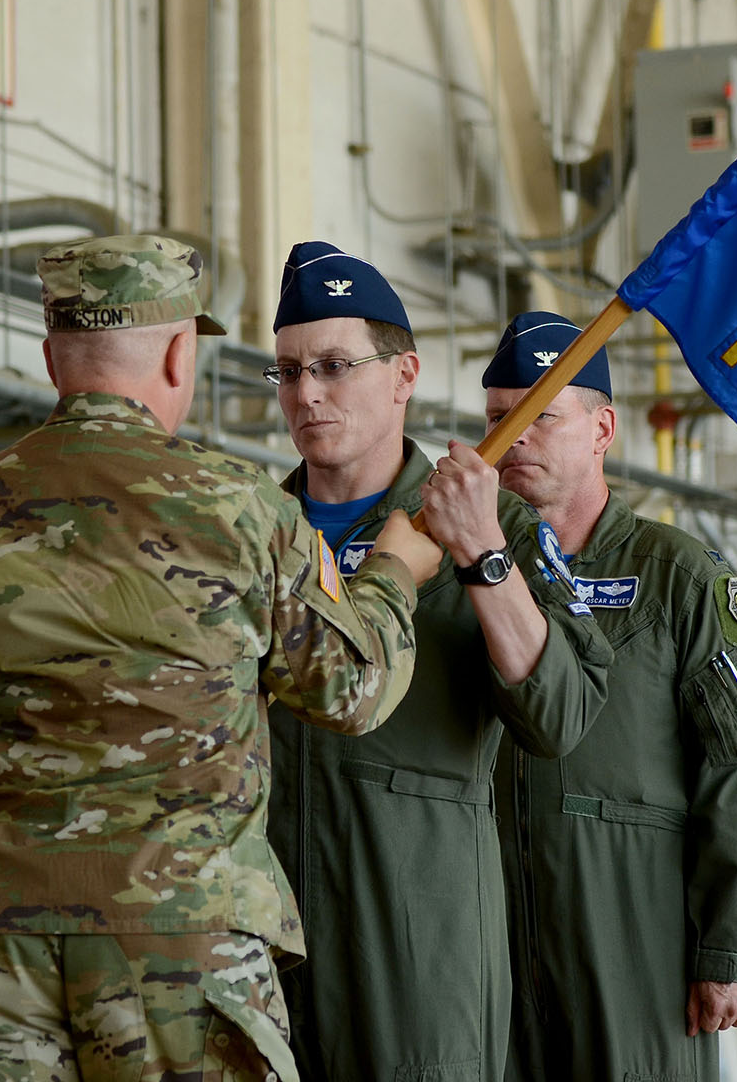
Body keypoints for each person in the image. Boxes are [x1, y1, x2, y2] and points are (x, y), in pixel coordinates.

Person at [0, 234, 444, 1082]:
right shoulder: (239, 510)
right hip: (178, 940)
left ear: (50, 359)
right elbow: (350, 691)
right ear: (181, 354)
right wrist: (397, 570)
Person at [263, 243, 612, 1082]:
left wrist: (481, 554)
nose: (307, 393)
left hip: (419, 953)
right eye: (286, 372)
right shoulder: (251, 535)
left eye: (336, 366)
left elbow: (561, 715)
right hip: (262, 950)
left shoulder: (495, 527)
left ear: (404, 374)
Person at [480, 311, 737, 1082]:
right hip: (491, 932)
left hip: (633, 935)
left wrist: (732, 949)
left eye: (539, 416)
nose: (512, 437)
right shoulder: (470, 575)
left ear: (602, 427)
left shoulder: (676, 575)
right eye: (495, 418)